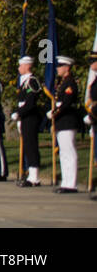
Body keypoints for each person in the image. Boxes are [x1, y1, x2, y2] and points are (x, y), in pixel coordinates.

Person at [50, 56, 80, 193]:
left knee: (69, 152)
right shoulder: (62, 83)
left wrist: (55, 112)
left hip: (67, 120)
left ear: (67, 68)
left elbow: (66, 103)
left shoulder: (70, 83)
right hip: (61, 121)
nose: (57, 68)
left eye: (60, 66)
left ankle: (71, 183)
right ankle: (66, 181)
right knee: (63, 153)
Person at [12, 56, 43, 187]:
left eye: (21, 66)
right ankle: (29, 174)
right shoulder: (24, 82)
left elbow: (30, 102)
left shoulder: (32, 81)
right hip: (24, 117)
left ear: (27, 66)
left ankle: (34, 177)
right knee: (27, 146)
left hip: (30, 117)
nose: (19, 68)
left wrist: (19, 112)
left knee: (31, 146)